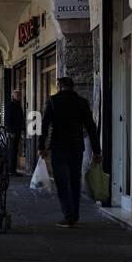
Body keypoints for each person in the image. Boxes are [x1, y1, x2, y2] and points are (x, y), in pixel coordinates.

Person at [39, 75, 102, 228]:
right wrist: (96, 151)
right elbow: (91, 128)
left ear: (60, 87)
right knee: (74, 180)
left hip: (58, 146)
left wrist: (41, 147)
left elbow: (45, 125)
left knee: (62, 181)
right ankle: (74, 215)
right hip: (76, 146)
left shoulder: (52, 101)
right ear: (72, 87)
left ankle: (68, 215)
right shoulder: (82, 103)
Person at [5, 88, 25, 178]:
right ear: (13, 96)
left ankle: (12, 169)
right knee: (12, 150)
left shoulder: (17, 105)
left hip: (17, 130)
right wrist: (11, 131)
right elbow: (8, 119)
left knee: (14, 150)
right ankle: (11, 170)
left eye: (20, 95)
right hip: (13, 131)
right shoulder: (11, 105)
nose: (19, 97)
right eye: (18, 95)